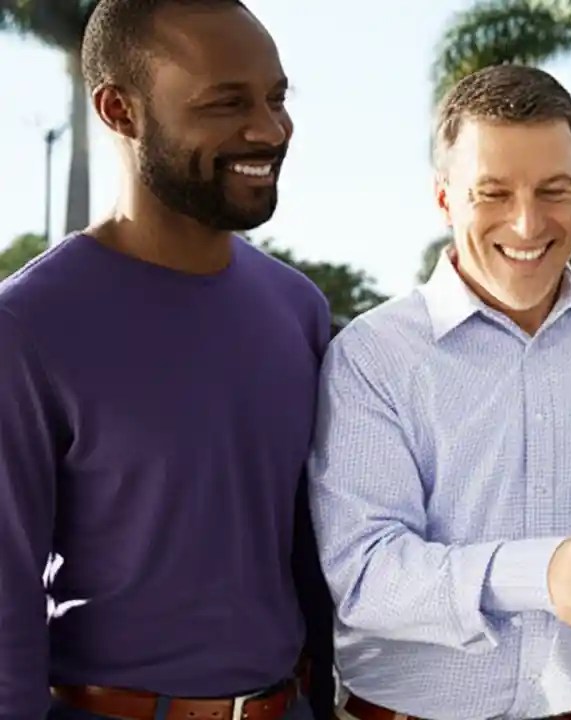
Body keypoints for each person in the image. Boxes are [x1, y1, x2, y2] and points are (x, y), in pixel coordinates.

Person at [306, 64, 571, 720]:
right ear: (443, 199)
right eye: (492, 193)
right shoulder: (371, 356)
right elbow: (363, 577)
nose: (526, 225)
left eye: (555, 190)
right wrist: (534, 573)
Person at [0, 1, 334, 718]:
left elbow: (317, 558)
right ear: (120, 110)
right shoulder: (25, 327)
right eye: (227, 103)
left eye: (276, 98)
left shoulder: (299, 310)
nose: (269, 129)